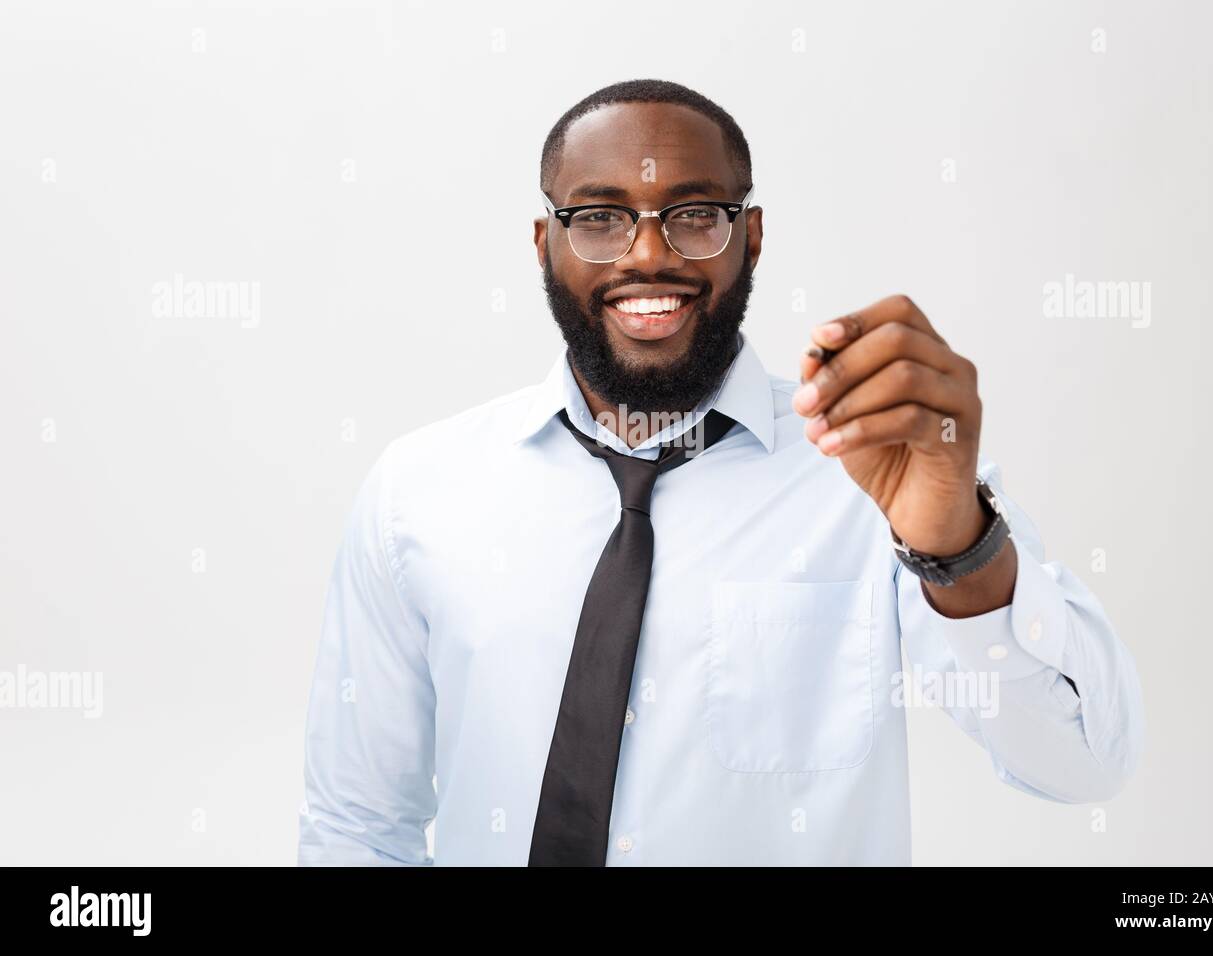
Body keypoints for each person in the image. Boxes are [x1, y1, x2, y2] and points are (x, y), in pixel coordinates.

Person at [298, 79, 1144, 866]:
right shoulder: (419, 492)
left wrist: (958, 548)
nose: (648, 256)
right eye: (599, 217)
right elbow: (359, 826)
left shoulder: (881, 479)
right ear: (543, 243)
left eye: (695, 214)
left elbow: (1083, 764)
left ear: (754, 236)